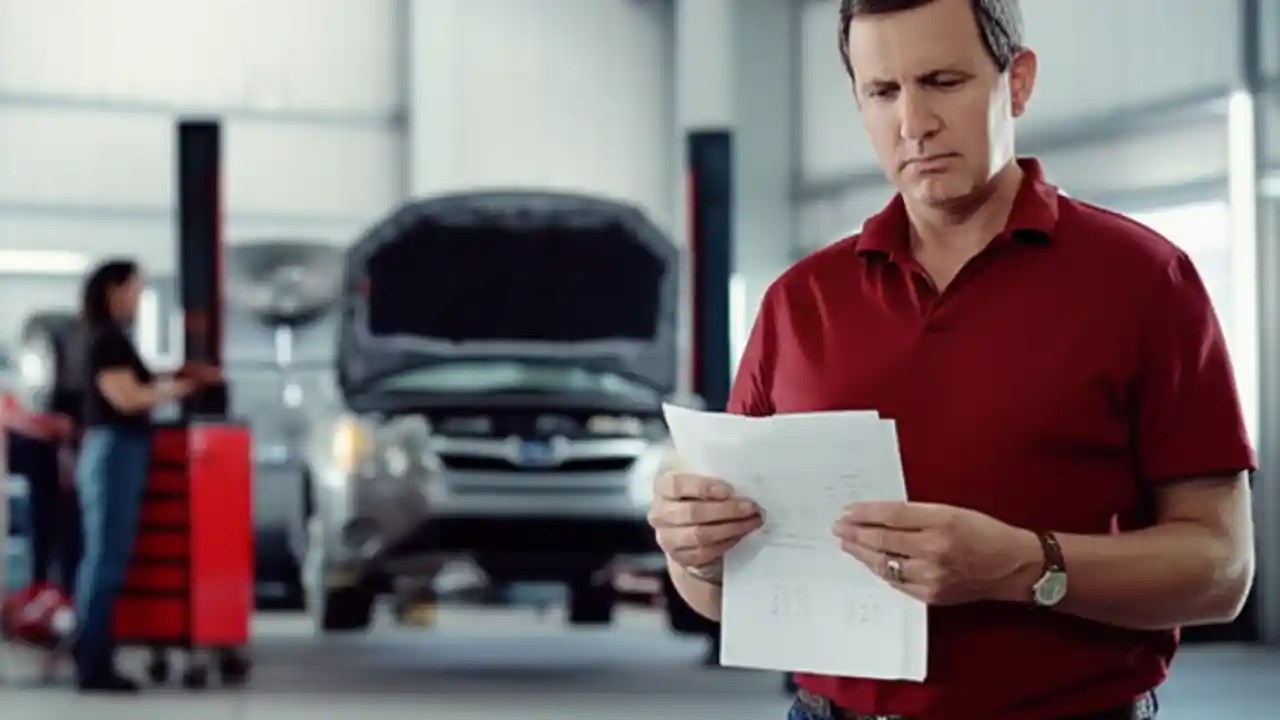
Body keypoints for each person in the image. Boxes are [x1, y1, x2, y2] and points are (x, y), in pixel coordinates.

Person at [648, 0, 1256, 718]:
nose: (913, 123)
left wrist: (1024, 566)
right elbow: (719, 596)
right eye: (883, 92)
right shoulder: (799, 301)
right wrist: (693, 551)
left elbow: (1221, 570)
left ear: (1017, 82)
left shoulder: (1144, 281)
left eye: (942, 81)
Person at [71, 259, 214, 692]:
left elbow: (132, 381)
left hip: (111, 450)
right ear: (114, 289)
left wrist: (172, 375)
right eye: (135, 288)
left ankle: (92, 654)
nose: (138, 297)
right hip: (116, 451)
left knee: (103, 557)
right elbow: (126, 397)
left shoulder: (102, 338)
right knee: (107, 559)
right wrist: (178, 389)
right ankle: (93, 663)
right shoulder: (108, 340)